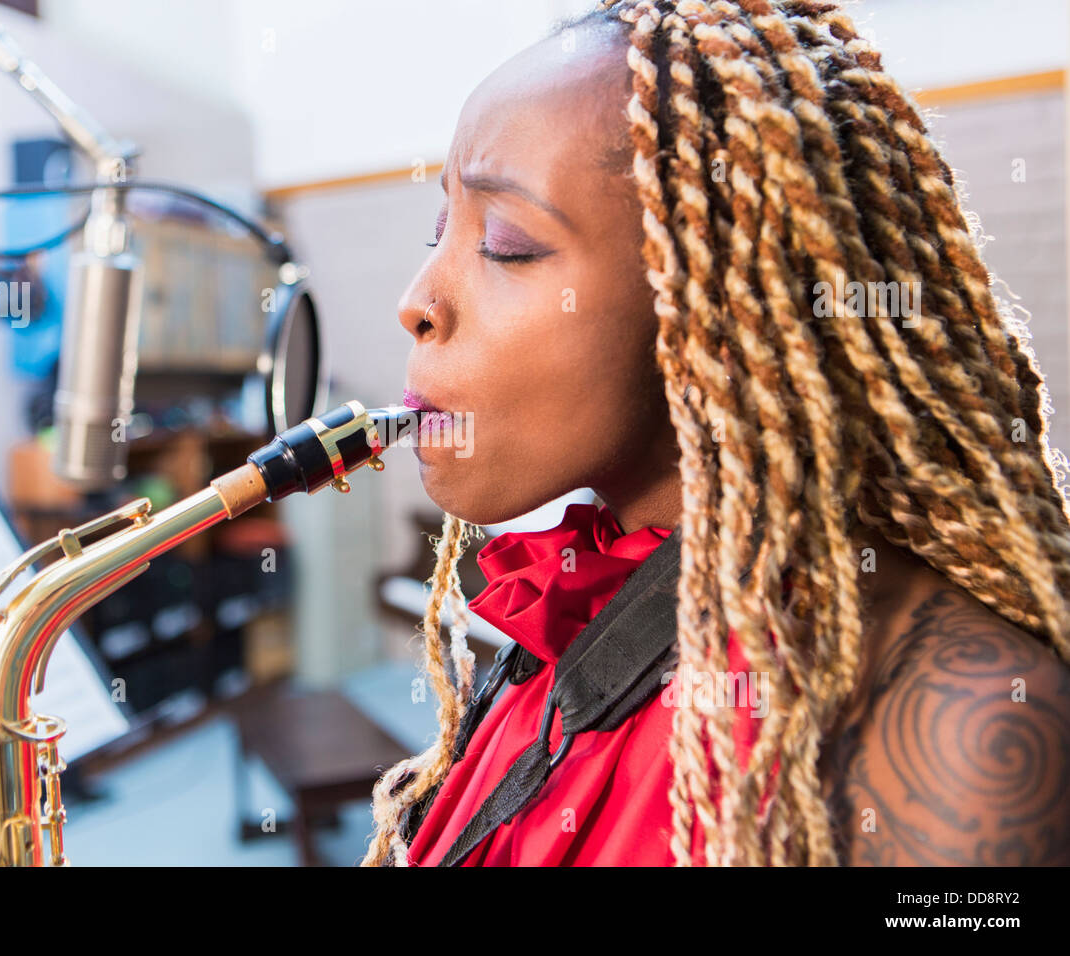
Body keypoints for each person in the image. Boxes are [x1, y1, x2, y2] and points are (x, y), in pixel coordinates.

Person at [362, 0, 1070, 867]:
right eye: (442, 232)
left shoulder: (971, 723)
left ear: (724, 304)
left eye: (506, 244)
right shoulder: (584, 592)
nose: (416, 301)